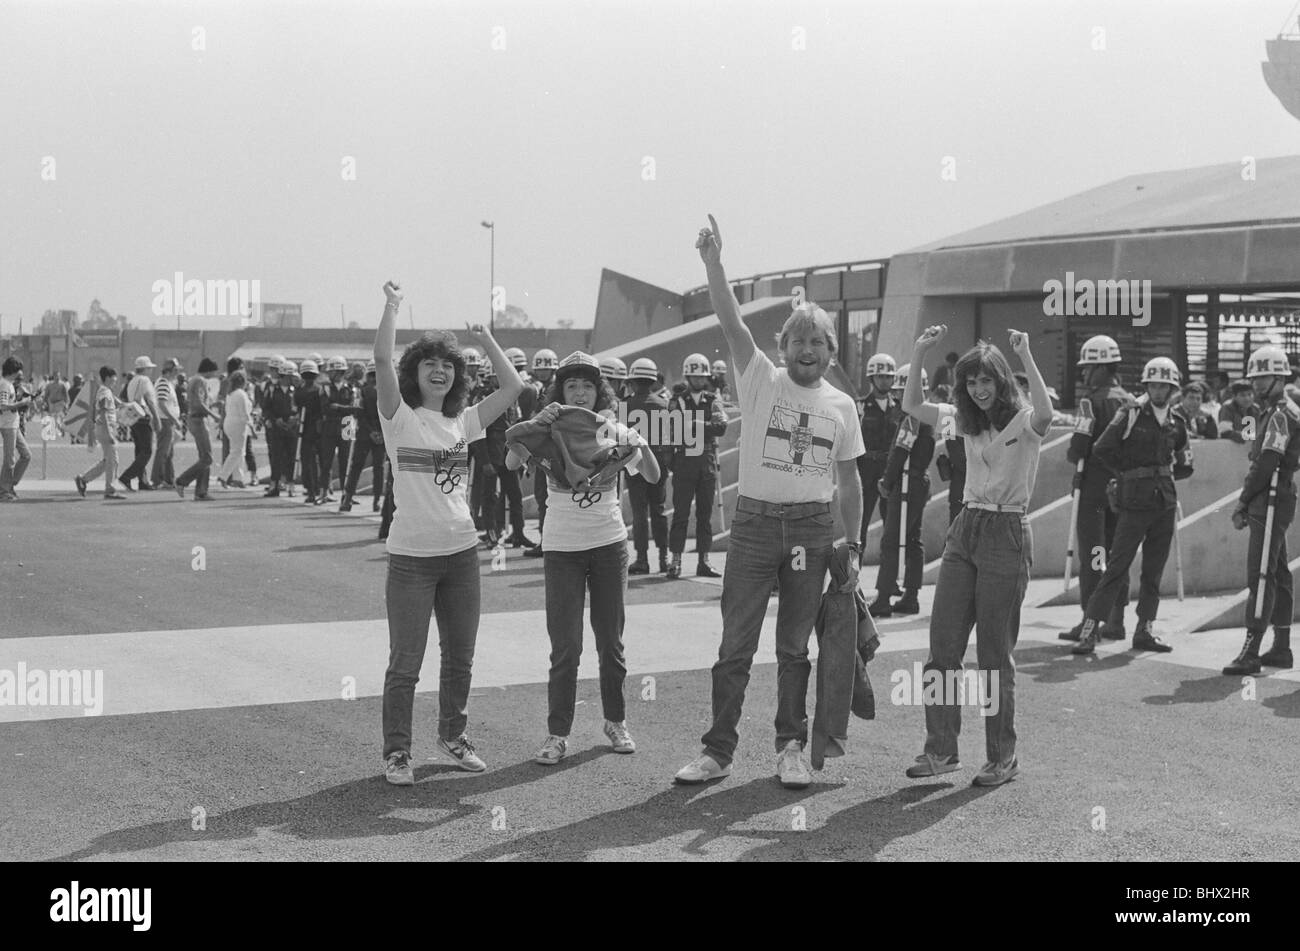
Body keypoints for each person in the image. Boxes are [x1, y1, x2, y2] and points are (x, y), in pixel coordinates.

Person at [675, 215, 864, 789]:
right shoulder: (760, 378)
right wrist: (714, 264)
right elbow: (732, 323)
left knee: (794, 648)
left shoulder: (843, 407)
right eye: (797, 339)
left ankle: (790, 747)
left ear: (832, 352)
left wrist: (851, 546)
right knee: (735, 644)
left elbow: (850, 483)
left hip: (811, 532)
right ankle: (718, 751)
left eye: (817, 341)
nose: (806, 349)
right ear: (782, 348)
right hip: (755, 526)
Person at [375, 280, 524, 786]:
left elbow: (513, 389)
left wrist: (485, 341)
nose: (439, 371)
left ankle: (453, 736)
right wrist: (393, 306)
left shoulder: (463, 422)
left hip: (462, 555)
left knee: (460, 656)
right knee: (406, 664)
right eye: (429, 364)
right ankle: (397, 753)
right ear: (414, 372)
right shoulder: (399, 418)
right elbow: (379, 360)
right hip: (412, 559)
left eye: (448, 365)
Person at [898, 324, 1051, 787]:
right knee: (942, 648)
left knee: (992, 655)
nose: (979, 389)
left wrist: (1026, 355)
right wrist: (920, 350)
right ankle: (941, 751)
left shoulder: (1023, 421)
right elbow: (912, 406)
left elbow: (1046, 410)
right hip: (966, 527)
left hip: (1006, 529)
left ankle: (1002, 757)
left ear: (1001, 380)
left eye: (987, 380)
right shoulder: (963, 420)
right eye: (971, 382)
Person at [507, 351, 660, 765]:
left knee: (610, 642)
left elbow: (652, 476)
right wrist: (538, 424)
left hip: (609, 545)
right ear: (560, 390)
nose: (579, 391)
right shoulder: (548, 428)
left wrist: (637, 443)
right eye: (571, 384)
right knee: (566, 646)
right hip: (561, 548)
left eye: (587, 385)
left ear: (599, 392)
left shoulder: (612, 429)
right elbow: (511, 459)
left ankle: (615, 721)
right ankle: (558, 734)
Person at [1070, 357, 1193, 655]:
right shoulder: (1131, 412)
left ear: (1173, 388)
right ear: (1146, 385)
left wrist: (1162, 474)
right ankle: (1090, 629)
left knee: (1153, 572)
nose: (1158, 391)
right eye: (1153, 385)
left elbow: (1186, 463)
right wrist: (1126, 474)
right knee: (1116, 566)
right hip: (1134, 501)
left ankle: (1145, 629)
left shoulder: (1178, 421)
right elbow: (1102, 448)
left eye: (1164, 385)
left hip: (1164, 501)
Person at [1223, 346, 1298, 675]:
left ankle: (1251, 651)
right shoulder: (1274, 411)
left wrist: (1242, 500)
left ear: (1279, 377)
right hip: (1272, 496)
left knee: (1261, 576)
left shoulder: (1281, 413)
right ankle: (1281, 648)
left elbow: (1267, 461)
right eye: (1254, 377)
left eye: (1263, 377)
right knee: (1278, 574)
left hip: (1270, 497)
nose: (1255, 383)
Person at [1059, 336, 1135, 644]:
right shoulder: (1130, 400)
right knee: (1118, 555)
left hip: (1094, 490)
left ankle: (1089, 621)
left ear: (1104, 367)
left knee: (1093, 554)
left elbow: (1078, 447)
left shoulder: (1091, 402)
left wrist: (1074, 454)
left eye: (1089, 368)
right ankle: (1116, 621)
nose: (1085, 375)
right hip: (1123, 489)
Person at [869, 364, 933, 617]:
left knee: (891, 541)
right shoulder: (929, 414)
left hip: (908, 481)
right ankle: (911, 596)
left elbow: (900, 452)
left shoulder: (912, 417)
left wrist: (886, 481)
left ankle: (884, 597)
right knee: (913, 539)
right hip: (919, 480)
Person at [665, 352, 729, 578]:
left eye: (702, 376)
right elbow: (671, 428)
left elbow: (721, 426)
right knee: (681, 514)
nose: (699, 380)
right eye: (695, 377)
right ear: (687, 377)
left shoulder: (713, 400)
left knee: (705, 515)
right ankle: (676, 560)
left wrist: (694, 424)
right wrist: (703, 426)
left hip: (706, 463)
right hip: (683, 462)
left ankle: (704, 560)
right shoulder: (676, 400)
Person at [624, 357, 671, 574]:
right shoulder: (664, 405)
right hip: (658, 463)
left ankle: (642, 559)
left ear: (633, 382)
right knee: (659, 511)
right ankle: (664, 557)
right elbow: (673, 438)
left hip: (634, 464)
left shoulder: (625, 406)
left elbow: (620, 440)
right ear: (652, 381)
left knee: (640, 513)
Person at [857, 353, 902, 560]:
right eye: (880, 376)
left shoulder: (900, 409)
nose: (885, 380)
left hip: (890, 471)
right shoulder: (859, 408)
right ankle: (853, 581)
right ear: (871, 378)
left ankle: (887, 582)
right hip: (865, 470)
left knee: (891, 529)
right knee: (859, 528)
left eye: (889, 376)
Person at [523, 349, 558, 557]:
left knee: (548, 497)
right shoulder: (539, 390)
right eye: (540, 369)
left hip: (552, 450)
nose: (543, 373)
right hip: (540, 448)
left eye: (547, 369)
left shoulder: (555, 390)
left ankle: (548, 541)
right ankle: (545, 540)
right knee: (541, 496)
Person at [74, 366, 128, 500]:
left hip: (103, 428)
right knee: (113, 460)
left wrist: (123, 404)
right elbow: (103, 412)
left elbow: (112, 401)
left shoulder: (105, 391)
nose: (116, 380)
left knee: (107, 461)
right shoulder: (105, 392)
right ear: (108, 378)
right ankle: (109, 490)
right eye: (114, 378)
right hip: (105, 428)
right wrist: (110, 434)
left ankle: (83, 479)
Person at [340, 360, 384, 513]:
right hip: (381, 435)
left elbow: (358, 412)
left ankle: (347, 498)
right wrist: (380, 432)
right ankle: (377, 500)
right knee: (379, 468)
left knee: (356, 467)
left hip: (365, 433)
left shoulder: (361, 391)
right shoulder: (387, 391)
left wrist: (370, 430)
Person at [175, 358, 221, 501]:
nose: (214, 374)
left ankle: (201, 491)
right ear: (209, 369)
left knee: (204, 458)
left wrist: (213, 404)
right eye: (214, 371)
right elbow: (199, 404)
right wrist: (215, 415)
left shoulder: (194, 380)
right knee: (207, 458)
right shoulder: (200, 380)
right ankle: (182, 481)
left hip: (195, 419)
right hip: (199, 419)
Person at [118, 355, 161, 491]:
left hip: (134, 417)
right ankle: (127, 476)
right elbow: (149, 399)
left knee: (140, 451)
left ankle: (142, 481)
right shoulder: (145, 380)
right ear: (145, 368)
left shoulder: (132, 381)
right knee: (147, 451)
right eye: (149, 368)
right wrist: (156, 417)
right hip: (143, 417)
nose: (150, 370)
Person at [317, 356, 354, 504]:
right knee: (326, 461)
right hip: (329, 426)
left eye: (332, 371)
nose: (329, 374)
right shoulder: (325, 388)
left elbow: (355, 408)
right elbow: (325, 408)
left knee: (346, 461)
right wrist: (343, 408)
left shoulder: (350, 388)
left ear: (339, 372)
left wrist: (337, 407)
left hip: (347, 425)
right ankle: (323, 492)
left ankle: (347, 494)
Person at [263, 361, 300, 497]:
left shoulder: (296, 390)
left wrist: (295, 418)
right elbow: (266, 408)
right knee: (276, 457)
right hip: (277, 429)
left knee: (291, 458)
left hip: (292, 429)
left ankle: (290, 485)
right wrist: (274, 419)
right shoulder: (272, 389)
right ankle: (274, 485)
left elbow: (302, 407)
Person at [0, 357, 34, 501]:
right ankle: (4, 491)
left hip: (13, 424)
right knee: (10, 459)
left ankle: (8, 484)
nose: (20, 372)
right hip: (7, 425)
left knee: (26, 455)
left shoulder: (9, 384)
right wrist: (22, 403)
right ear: (13, 370)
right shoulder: (5, 385)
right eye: (19, 369)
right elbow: (2, 406)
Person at [216, 370, 254, 487]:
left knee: (239, 451)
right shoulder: (241, 394)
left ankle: (238, 478)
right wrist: (251, 427)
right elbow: (245, 413)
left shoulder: (230, 394)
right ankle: (223, 476)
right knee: (236, 452)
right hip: (238, 424)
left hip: (229, 423)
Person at [296, 360, 326, 505]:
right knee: (315, 462)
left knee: (309, 462)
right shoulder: (320, 389)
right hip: (317, 430)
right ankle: (319, 490)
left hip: (307, 430)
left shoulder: (300, 391)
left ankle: (313, 490)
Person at [150, 358, 182, 488]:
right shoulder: (163, 383)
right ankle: (158, 479)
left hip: (167, 420)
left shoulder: (166, 383)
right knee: (163, 451)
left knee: (168, 452)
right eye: (176, 370)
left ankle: (169, 478)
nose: (177, 373)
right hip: (165, 420)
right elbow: (162, 403)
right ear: (170, 371)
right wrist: (174, 419)